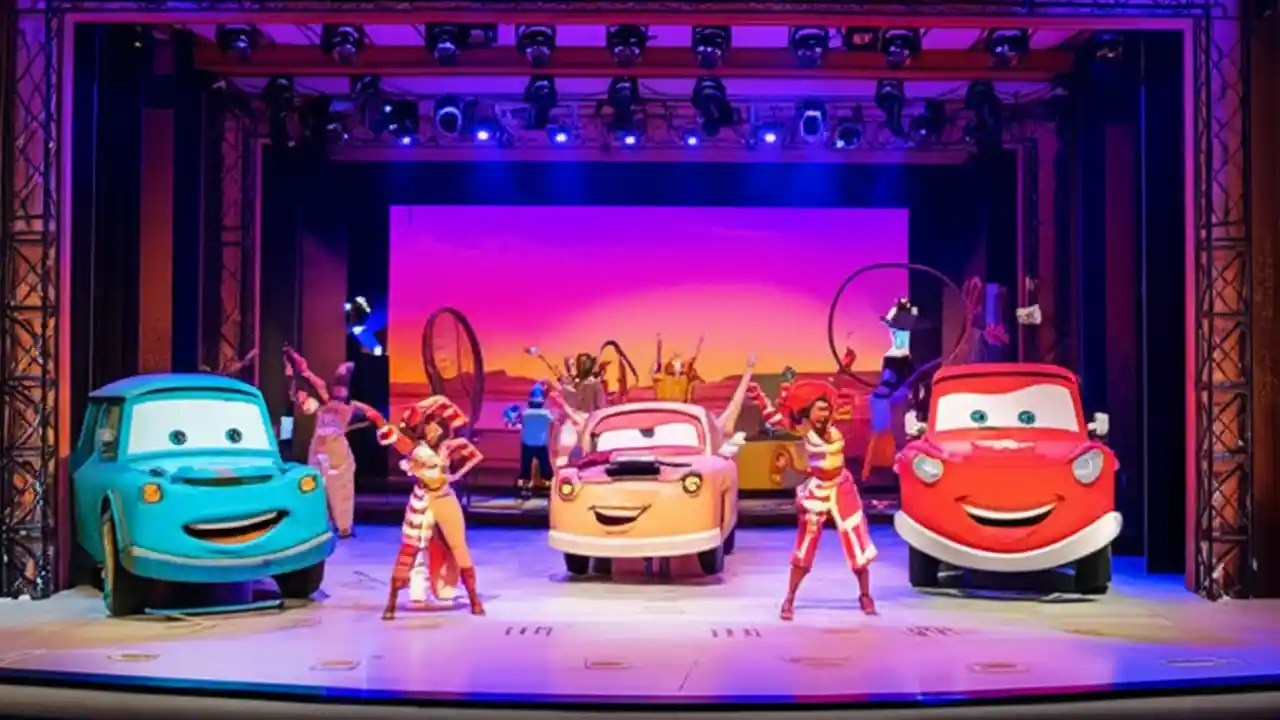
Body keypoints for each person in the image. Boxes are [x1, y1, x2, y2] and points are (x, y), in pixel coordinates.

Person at [747, 378, 877, 620]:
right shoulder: (802, 430)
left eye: (827, 409)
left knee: (855, 541)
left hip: (842, 487)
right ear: (808, 411)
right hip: (818, 489)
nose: (824, 414)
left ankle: (865, 594)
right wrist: (759, 397)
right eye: (819, 409)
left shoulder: (833, 426)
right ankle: (789, 598)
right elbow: (774, 418)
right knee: (806, 545)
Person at [363, 396, 485, 619]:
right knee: (409, 548)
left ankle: (474, 599)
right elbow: (391, 435)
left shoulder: (449, 447)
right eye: (429, 425)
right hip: (422, 500)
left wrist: (455, 474)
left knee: (458, 547)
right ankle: (391, 602)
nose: (433, 429)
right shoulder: (415, 448)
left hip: (445, 497)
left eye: (437, 425)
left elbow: (470, 450)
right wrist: (377, 419)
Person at [284, 345, 371, 540]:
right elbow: (307, 374)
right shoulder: (327, 401)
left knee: (340, 489)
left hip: (334, 451)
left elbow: (370, 417)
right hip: (322, 450)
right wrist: (294, 360)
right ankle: (324, 524)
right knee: (320, 487)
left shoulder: (346, 406)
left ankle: (342, 526)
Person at [512, 384, 554, 501]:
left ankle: (523, 488)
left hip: (527, 444)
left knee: (525, 468)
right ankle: (550, 487)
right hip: (541, 445)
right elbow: (554, 421)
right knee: (546, 468)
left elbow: (515, 421)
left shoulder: (525, 413)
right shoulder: (546, 414)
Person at [652, 333, 704, 402]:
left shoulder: (685, 376)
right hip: (665, 405)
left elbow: (696, 379)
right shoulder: (661, 377)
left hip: (681, 406)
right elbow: (657, 369)